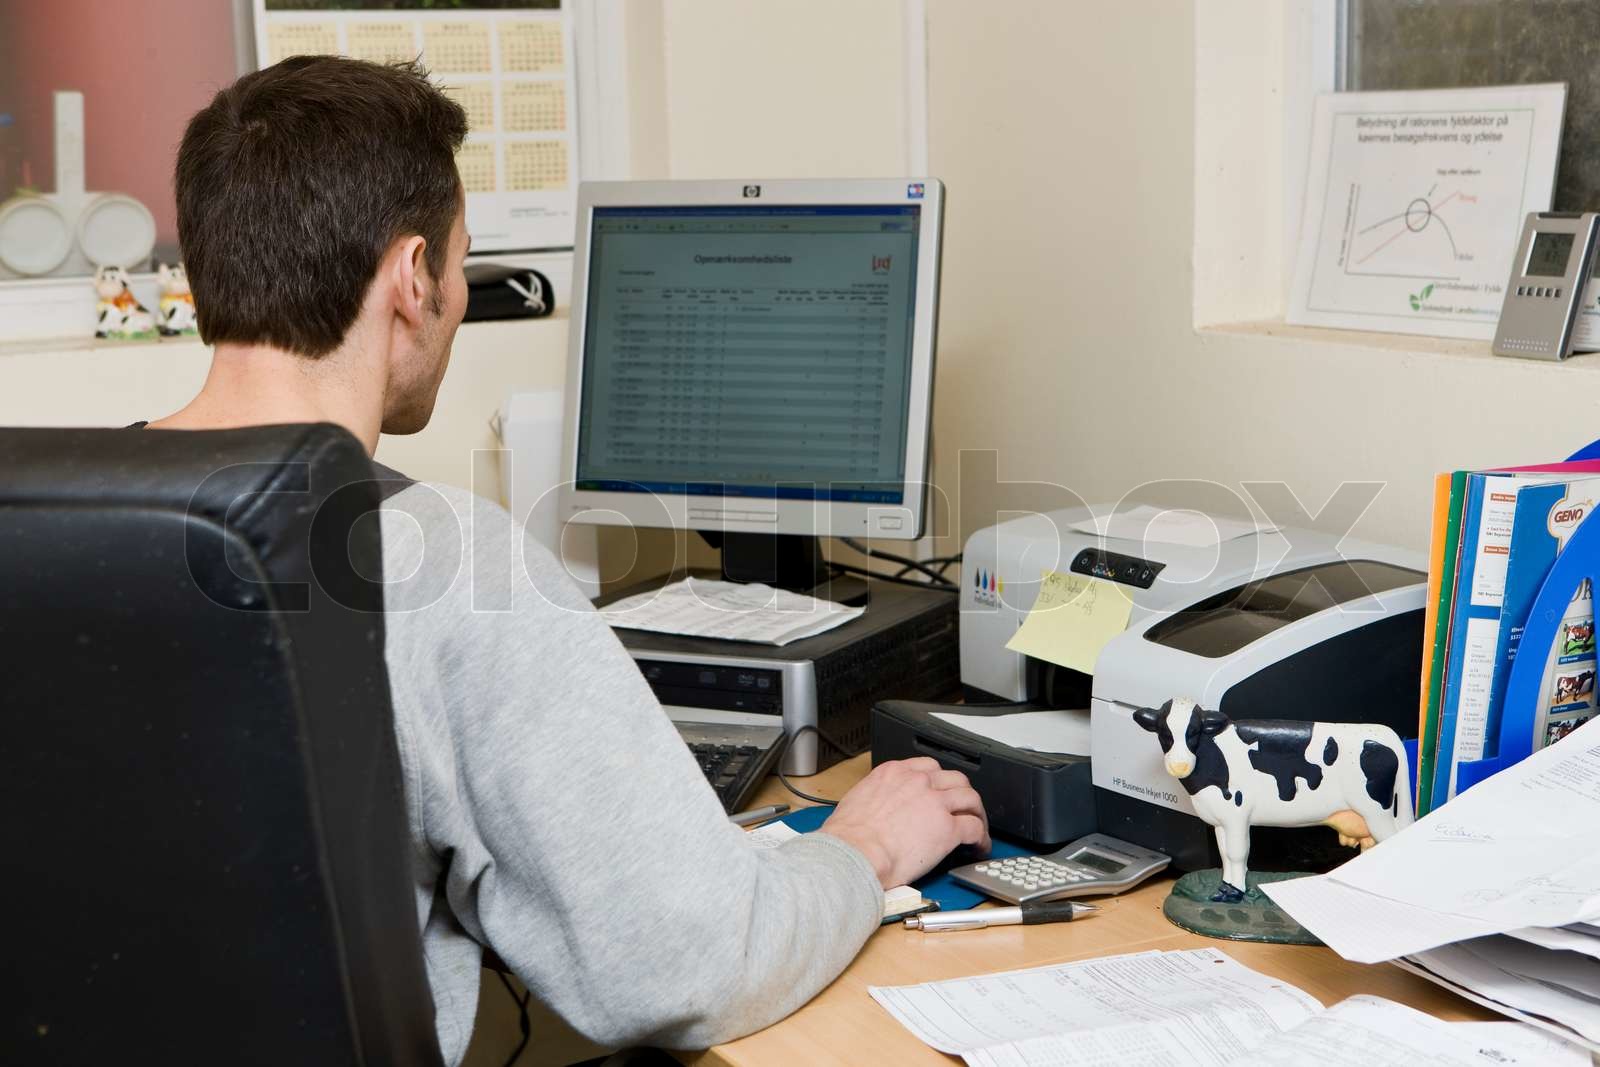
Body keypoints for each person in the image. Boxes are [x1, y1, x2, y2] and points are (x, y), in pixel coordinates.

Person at [145, 56, 989, 1064]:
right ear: (414, 279)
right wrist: (867, 845)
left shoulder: (50, 528)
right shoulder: (445, 561)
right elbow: (687, 965)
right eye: (460, 261)